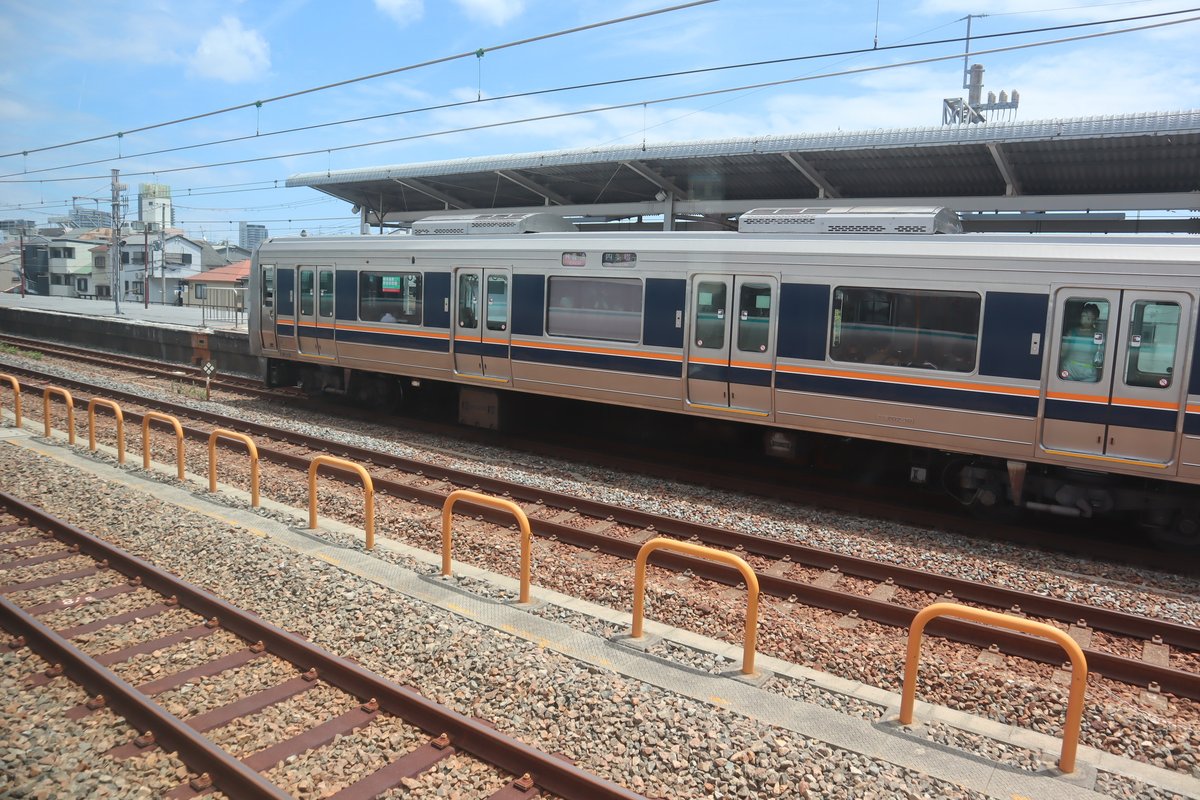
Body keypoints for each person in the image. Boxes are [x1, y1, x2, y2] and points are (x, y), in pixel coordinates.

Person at [1059, 302, 1104, 381]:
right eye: (1083, 316)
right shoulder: (1071, 332)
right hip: (1069, 371)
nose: (1085, 319)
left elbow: (1101, 356)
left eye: (1089, 317)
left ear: (1095, 319)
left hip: (1089, 374)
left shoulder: (1098, 335)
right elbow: (1062, 353)